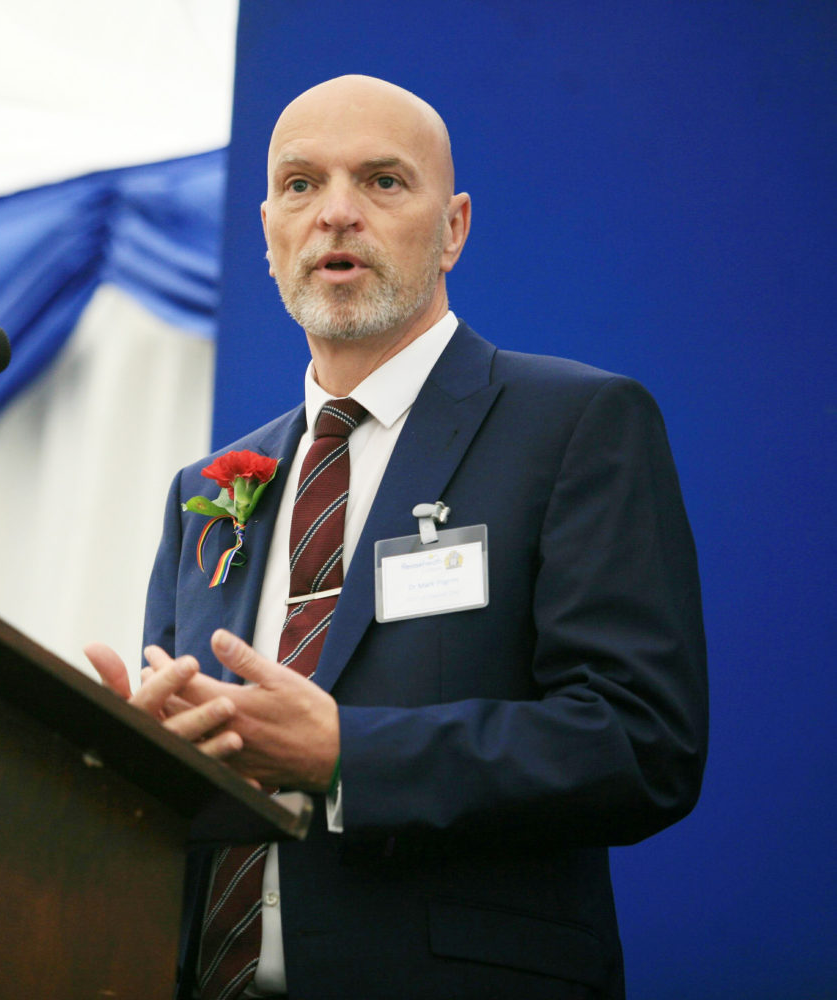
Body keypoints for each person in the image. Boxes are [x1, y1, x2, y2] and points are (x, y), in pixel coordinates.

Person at [85, 75, 707, 1000]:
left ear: (453, 225)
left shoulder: (574, 425)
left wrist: (347, 753)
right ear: (266, 234)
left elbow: (639, 742)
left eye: (381, 181)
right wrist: (133, 756)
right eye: (300, 185)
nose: (335, 214)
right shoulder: (207, 491)